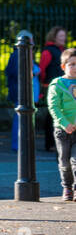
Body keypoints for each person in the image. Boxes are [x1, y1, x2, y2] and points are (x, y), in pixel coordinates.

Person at [46, 48, 76, 201]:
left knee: (75, 160)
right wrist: (65, 124)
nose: (75, 67)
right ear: (63, 66)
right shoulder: (57, 84)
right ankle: (67, 187)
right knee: (64, 161)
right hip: (62, 131)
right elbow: (54, 107)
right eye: (72, 64)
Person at [4, 31, 41, 152]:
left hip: (28, 92)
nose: (33, 43)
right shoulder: (17, 55)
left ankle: (25, 143)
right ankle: (18, 145)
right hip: (21, 93)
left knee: (27, 118)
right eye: (31, 40)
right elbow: (16, 73)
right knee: (20, 118)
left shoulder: (27, 54)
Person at [39, 26, 68, 152]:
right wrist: (44, 84)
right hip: (51, 87)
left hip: (65, 86)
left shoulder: (64, 51)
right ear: (54, 37)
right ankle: (50, 143)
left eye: (64, 36)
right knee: (52, 115)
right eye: (60, 36)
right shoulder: (48, 51)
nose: (63, 38)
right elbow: (42, 70)